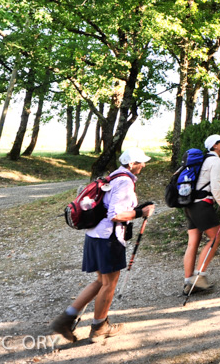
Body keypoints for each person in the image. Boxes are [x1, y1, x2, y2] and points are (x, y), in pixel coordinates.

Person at [50, 147, 155, 343]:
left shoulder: (112, 177)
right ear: (132, 164)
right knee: (108, 284)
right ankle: (99, 327)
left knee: (100, 281)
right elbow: (115, 214)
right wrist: (142, 213)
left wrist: (136, 210)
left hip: (95, 235)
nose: (144, 165)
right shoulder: (124, 181)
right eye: (141, 162)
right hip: (108, 238)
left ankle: (65, 319)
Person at [183, 133, 220, 293]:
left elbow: (205, 181)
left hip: (190, 205)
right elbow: (215, 188)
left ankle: (188, 281)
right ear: (214, 146)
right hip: (202, 206)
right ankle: (199, 278)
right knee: (216, 237)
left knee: (193, 242)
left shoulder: (204, 160)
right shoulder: (216, 160)